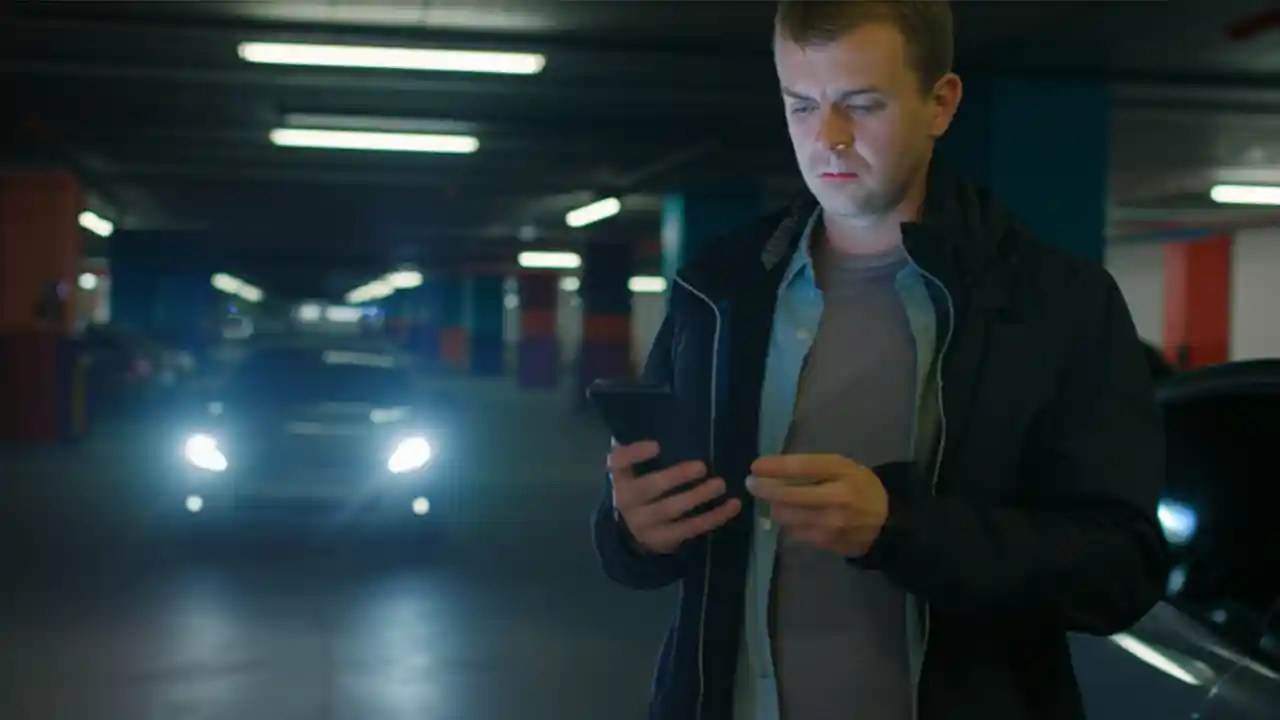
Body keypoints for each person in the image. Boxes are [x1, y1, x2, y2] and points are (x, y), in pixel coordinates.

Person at [592, 1, 1167, 719]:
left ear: (941, 103)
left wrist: (898, 528)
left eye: (861, 105)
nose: (827, 138)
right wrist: (633, 531)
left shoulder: (1057, 304)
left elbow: (1121, 570)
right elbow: (649, 547)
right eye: (801, 106)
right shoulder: (720, 284)